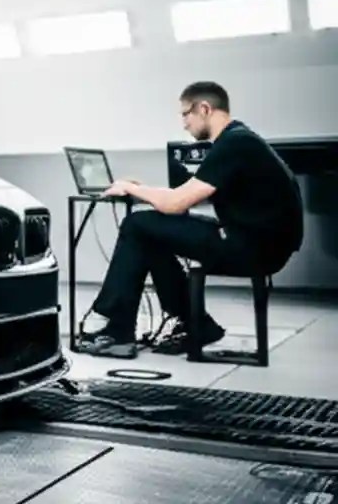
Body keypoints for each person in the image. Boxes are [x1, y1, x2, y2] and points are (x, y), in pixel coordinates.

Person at [79, 81, 304, 359]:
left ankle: (117, 330)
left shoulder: (234, 144)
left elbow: (176, 203)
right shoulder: (240, 139)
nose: (184, 123)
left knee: (137, 225)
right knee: (151, 233)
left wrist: (131, 188)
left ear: (204, 108)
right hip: (258, 243)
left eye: (186, 114)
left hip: (251, 247)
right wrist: (143, 192)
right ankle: (196, 325)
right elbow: (186, 196)